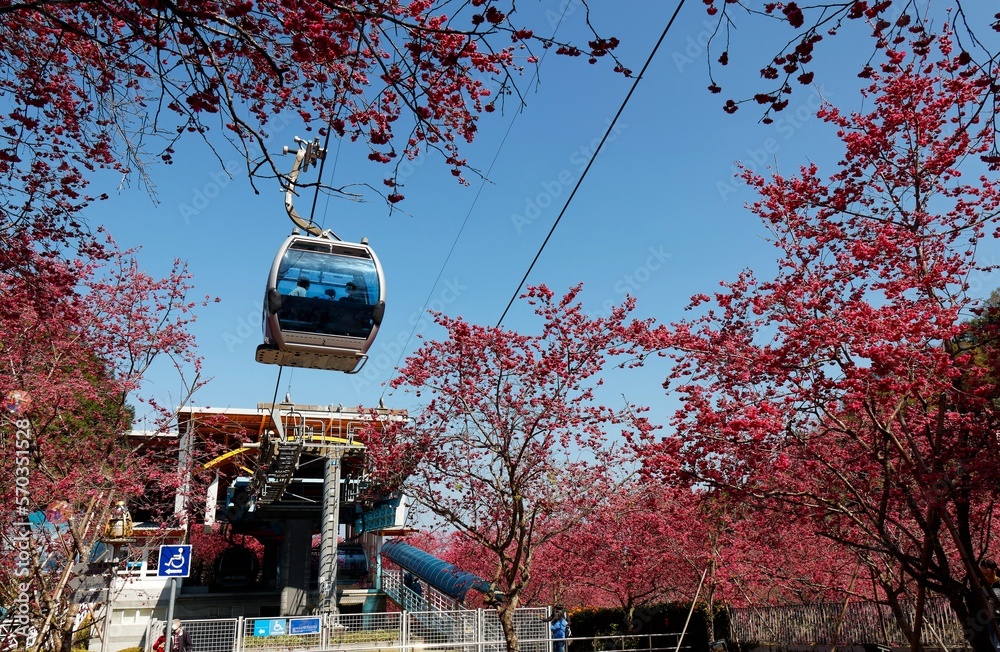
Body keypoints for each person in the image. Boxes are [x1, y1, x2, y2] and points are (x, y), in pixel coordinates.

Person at [982, 559, 1000, 652]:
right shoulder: (983, 585)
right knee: (994, 644)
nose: (984, 570)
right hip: (989, 618)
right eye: (983, 568)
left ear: (994, 569)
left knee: (998, 646)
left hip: (999, 617)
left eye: (986, 568)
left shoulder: (999, 583)